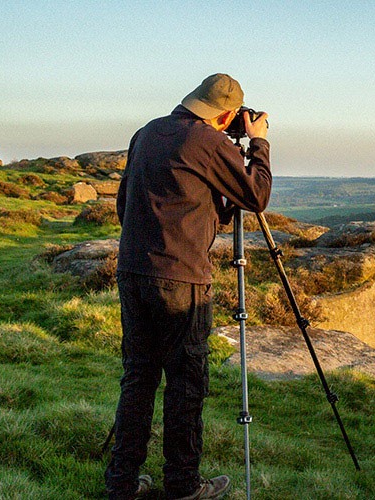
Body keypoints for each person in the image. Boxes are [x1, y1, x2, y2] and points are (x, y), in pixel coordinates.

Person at [105, 73, 271, 500]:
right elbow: (254, 195)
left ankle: (122, 484)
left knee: (138, 377)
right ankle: (182, 486)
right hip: (181, 279)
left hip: (133, 271)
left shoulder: (147, 132)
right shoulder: (206, 141)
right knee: (185, 380)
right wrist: (259, 144)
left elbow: (128, 205)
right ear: (229, 114)